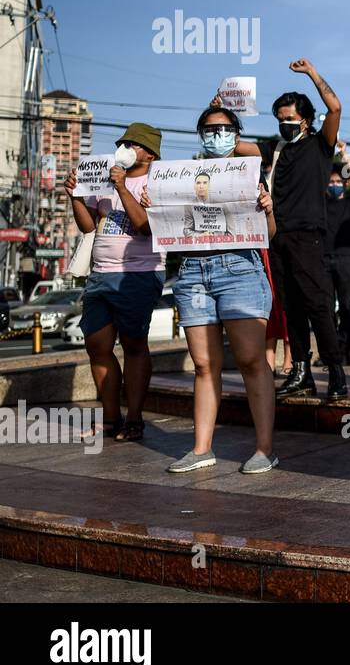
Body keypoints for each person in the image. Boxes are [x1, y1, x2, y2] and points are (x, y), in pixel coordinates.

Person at [163, 106, 278, 474]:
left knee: (250, 361)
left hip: (240, 269)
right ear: (200, 134)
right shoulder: (180, 177)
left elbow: (269, 234)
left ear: (237, 133)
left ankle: (264, 450)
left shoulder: (251, 174)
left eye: (226, 128)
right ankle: (201, 449)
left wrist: (268, 209)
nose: (218, 135)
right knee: (203, 365)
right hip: (194, 270)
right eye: (211, 129)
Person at [239, 59, 348, 401]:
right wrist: (223, 115)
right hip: (276, 236)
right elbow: (235, 146)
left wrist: (313, 74)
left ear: (305, 119)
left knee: (318, 305)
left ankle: (335, 372)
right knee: (291, 309)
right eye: (280, 119)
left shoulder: (320, 144)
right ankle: (301, 371)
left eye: (289, 119)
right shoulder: (275, 148)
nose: (284, 124)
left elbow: (335, 106)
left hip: (309, 236)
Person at [63, 123, 165, 442]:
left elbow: (144, 226)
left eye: (133, 144)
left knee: (134, 345)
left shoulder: (158, 183)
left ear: (149, 153)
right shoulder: (103, 180)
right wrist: (76, 196)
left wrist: (122, 188)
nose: (125, 148)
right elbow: (87, 226)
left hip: (138, 273)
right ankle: (110, 419)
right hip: (100, 274)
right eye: (123, 143)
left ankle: (134, 419)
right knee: (97, 346)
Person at [324, 142, 350, 362]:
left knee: (345, 305)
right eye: (331, 182)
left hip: (344, 258)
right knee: (326, 308)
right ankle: (330, 353)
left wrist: (344, 154)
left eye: (338, 181)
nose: (334, 184)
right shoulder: (321, 202)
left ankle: (344, 349)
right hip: (324, 259)